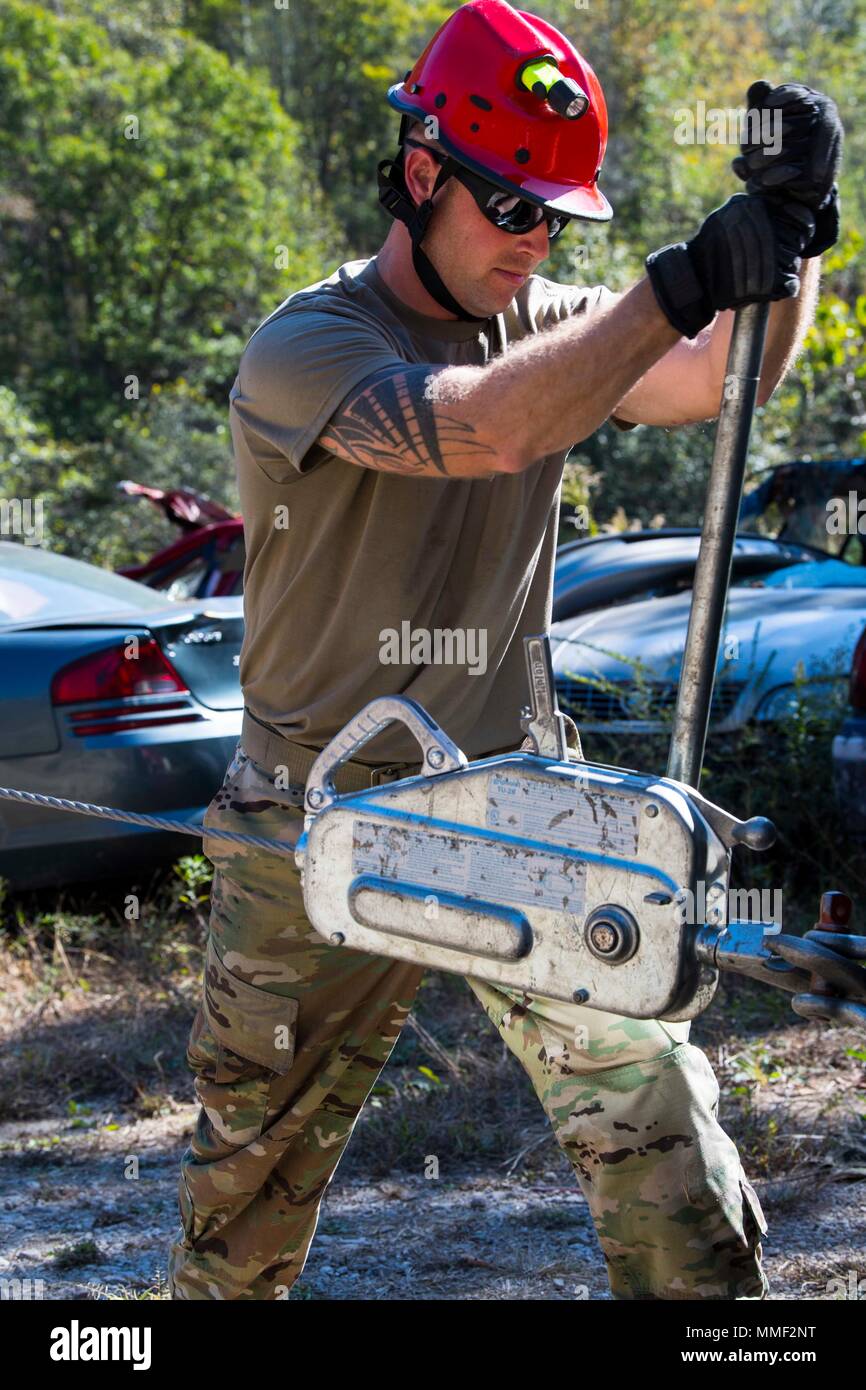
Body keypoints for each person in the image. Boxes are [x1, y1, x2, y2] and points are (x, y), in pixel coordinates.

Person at [168, 0, 843, 1300]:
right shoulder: (308, 345)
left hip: (515, 799)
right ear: (421, 174)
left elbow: (721, 376)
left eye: (554, 219)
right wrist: (677, 278)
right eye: (510, 207)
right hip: (317, 812)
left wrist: (795, 234)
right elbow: (484, 429)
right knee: (245, 1196)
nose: (533, 243)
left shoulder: (540, 318)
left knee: (656, 1119)